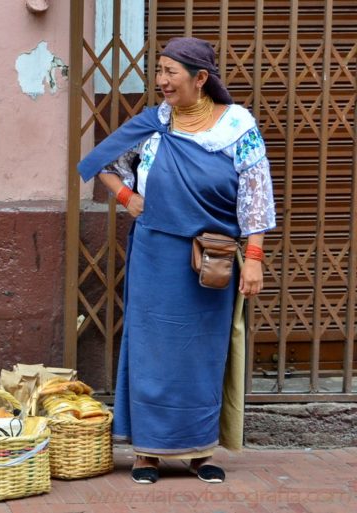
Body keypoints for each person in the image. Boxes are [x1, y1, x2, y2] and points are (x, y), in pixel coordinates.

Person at [77, 37, 276, 484]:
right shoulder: (153, 125)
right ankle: (147, 453)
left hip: (212, 258)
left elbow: (256, 197)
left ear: (201, 78)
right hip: (154, 255)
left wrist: (255, 258)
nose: (162, 81)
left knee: (201, 353)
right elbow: (100, 162)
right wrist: (127, 197)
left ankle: (199, 451)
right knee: (151, 349)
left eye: (171, 73)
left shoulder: (237, 127)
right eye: (159, 72)